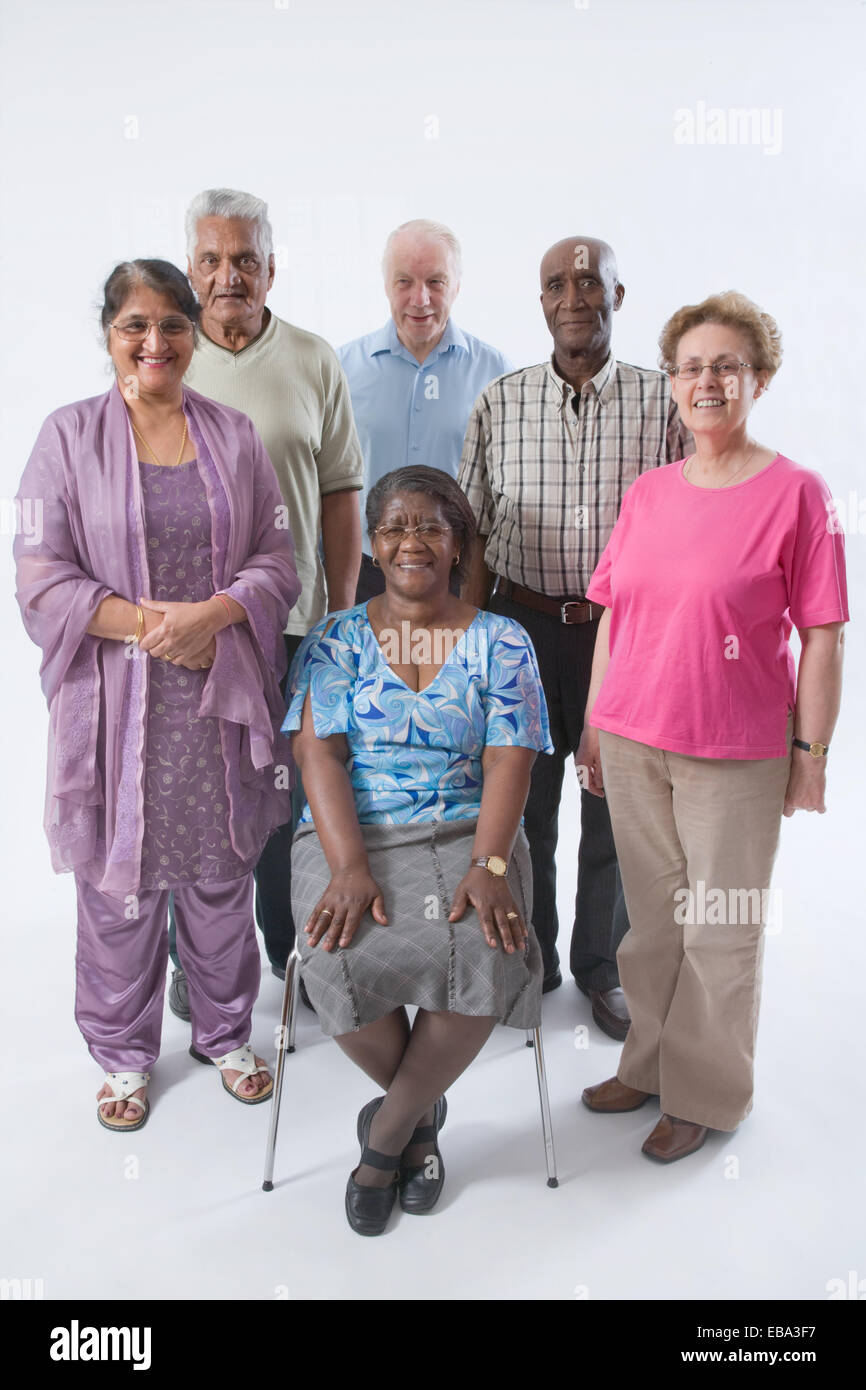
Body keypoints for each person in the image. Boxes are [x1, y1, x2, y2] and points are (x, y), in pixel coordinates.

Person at [14, 258, 300, 1130]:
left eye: (172, 325)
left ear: (193, 335)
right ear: (109, 335)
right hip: (112, 705)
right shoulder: (67, 439)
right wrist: (146, 625)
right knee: (118, 886)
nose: (155, 342)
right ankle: (123, 1054)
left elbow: (277, 559)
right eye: (135, 325)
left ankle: (224, 1033)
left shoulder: (235, 434)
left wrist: (214, 615)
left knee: (220, 875)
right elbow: (39, 574)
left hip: (218, 699)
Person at [577, 291, 848, 1162]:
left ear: (758, 380)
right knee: (651, 923)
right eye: (690, 367)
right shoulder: (651, 493)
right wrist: (592, 725)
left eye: (726, 365)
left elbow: (825, 635)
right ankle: (650, 1063)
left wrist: (810, 756)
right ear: (673, 383)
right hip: (631, 738)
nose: (706, 381)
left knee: (719, 929)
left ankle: (705, 1094)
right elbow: (615, 616)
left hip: (735, 755)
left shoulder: (799, 494)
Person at [283, 465, 552, 1234]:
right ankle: (421, 1116)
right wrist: (349, 869)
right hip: (350, 836)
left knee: (490, 950)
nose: (413, 542)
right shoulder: (337, 637)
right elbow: (319, 756)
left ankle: (387, 1138)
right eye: (396, 527)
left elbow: (511, 759)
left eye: (432, 527)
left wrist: (489, 865)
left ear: (459, 544)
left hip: (475, 833)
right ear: (372, 543)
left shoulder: (503, 641)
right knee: (334, 957)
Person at [458, 236, 691, 1036]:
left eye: (589, 282)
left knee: (616, 807)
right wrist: (471, 641)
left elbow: (689, 532)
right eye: (556, 283)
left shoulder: (665, 404)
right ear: (542, 299)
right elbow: (476, 535)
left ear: (617, 298)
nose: (572, 297)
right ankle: (528, 959)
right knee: (522, 805)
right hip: (520, 625)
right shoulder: (500, 401)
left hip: (622, 633)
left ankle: (603, 967)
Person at [165, 187, 364, 1019]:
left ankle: (293, 956)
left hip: (290, 624)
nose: (228, 276)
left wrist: (343, 614)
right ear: (189, 271)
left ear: (272, 269)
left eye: (245, 260)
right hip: (190, 634)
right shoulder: (162, 362)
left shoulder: (315, 360)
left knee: (285, 800)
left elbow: (343, 492)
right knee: (193, 799)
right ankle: (199, 967)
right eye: (211, 260)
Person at [338, 219, 512, 603]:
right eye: (404, 282)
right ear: (386, 285)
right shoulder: (341, 369)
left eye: (436, 282)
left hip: (458, 579)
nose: (421, 299)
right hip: (365, 578)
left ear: (457, 286)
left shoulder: (497, 374)